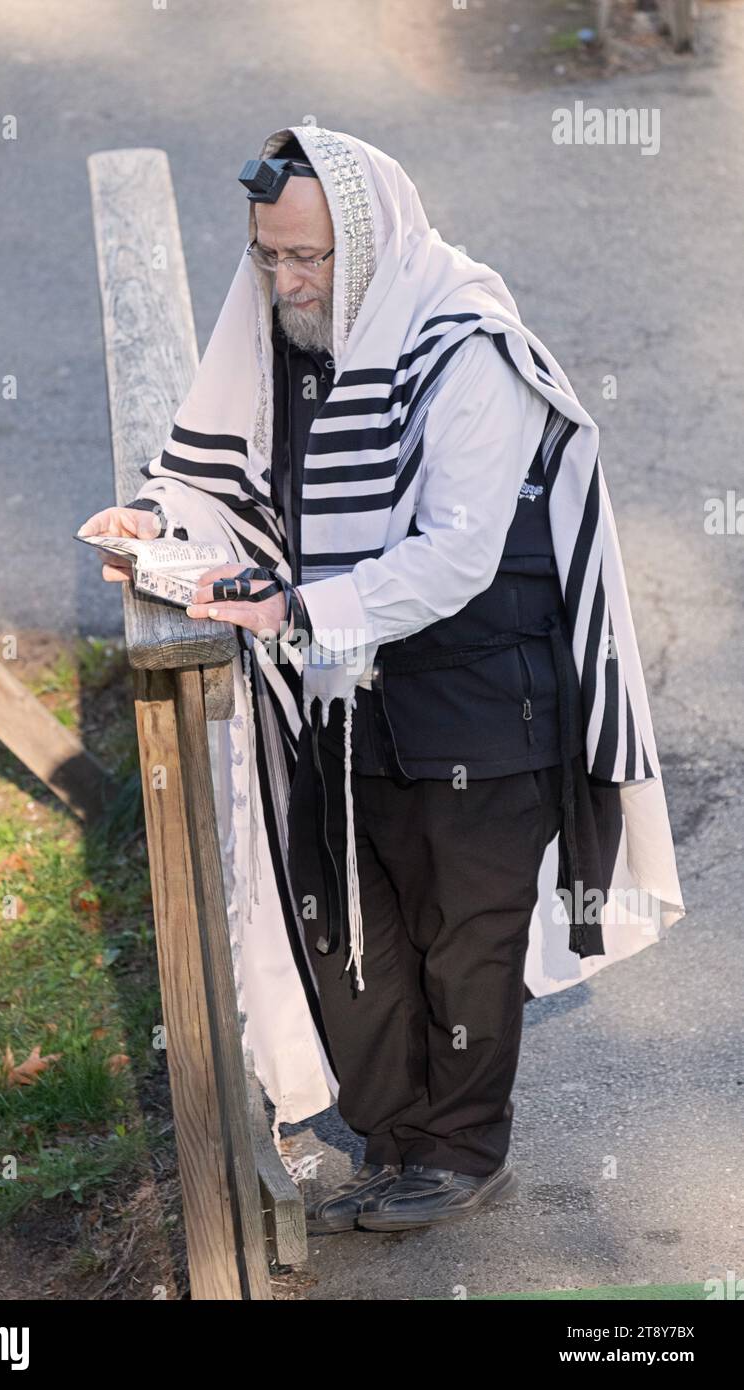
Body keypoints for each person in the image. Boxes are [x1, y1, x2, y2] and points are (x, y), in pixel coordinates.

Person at [79, 124, 684, 1236]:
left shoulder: (464, 345)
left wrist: (298, 609)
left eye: (307, 259)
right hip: (348, 690)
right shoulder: (288, 333)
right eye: (268, 257)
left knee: (466, 936)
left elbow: (454, 555)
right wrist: (161, 517)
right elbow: (234, 476)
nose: (287, 282)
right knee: (358, 922)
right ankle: (399, 1138)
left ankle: (458, 1153)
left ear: (367, 241)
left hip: (481, 696)